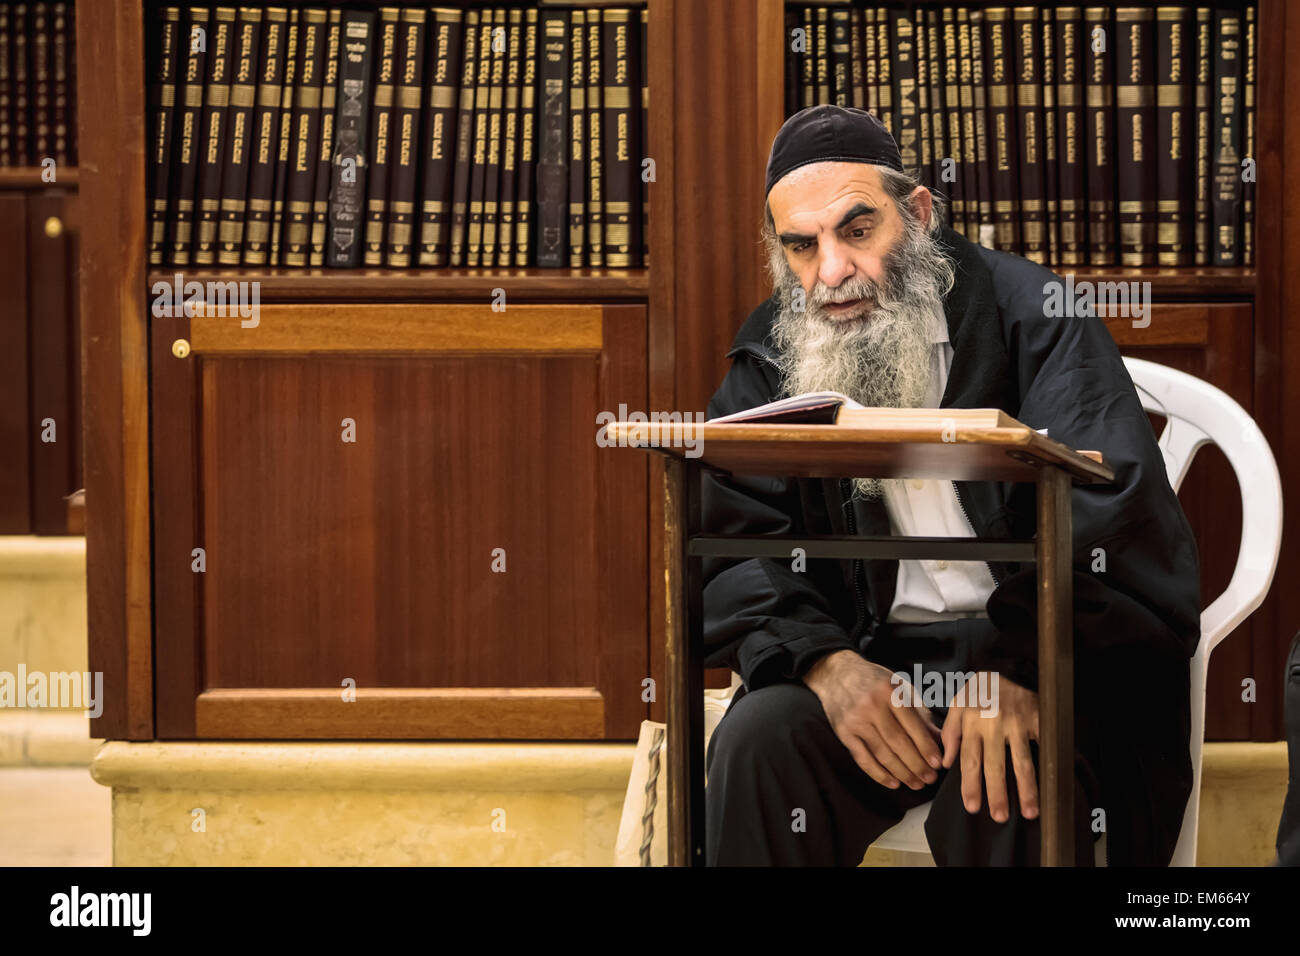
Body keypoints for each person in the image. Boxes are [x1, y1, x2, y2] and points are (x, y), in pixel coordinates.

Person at [702, 105, 1202, 867]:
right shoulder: (772, 358)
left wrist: (1019, 667)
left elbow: (1111, 518)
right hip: (875, 661)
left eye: (857, 230)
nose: (831, 273)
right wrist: (824, 665)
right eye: (801, 247)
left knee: (1008, 775)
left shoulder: (1037, 317)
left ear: (918, 214)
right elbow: (736, 545)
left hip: (1050, 650)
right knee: (758, 743)